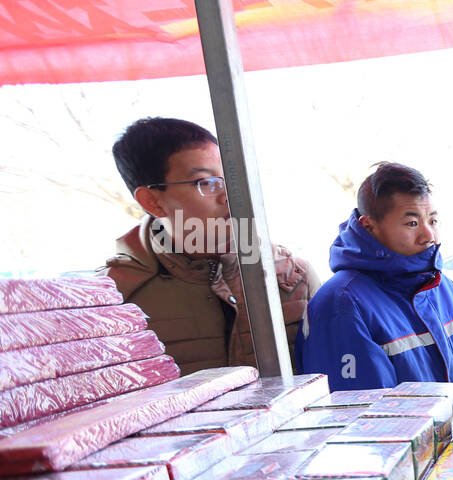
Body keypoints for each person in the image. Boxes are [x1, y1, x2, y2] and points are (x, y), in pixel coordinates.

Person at [105, 117, 318, 375]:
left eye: (232, 177)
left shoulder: (292, 276)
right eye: (205, 182)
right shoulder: (116, 300)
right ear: (152, 201)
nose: (229, 195)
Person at [296, 162, 453, 397]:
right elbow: (360, 417)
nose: (429, 235)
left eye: (433, 221)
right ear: (369, 225)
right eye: (412, 223)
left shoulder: (443, 287)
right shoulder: (341, 304)